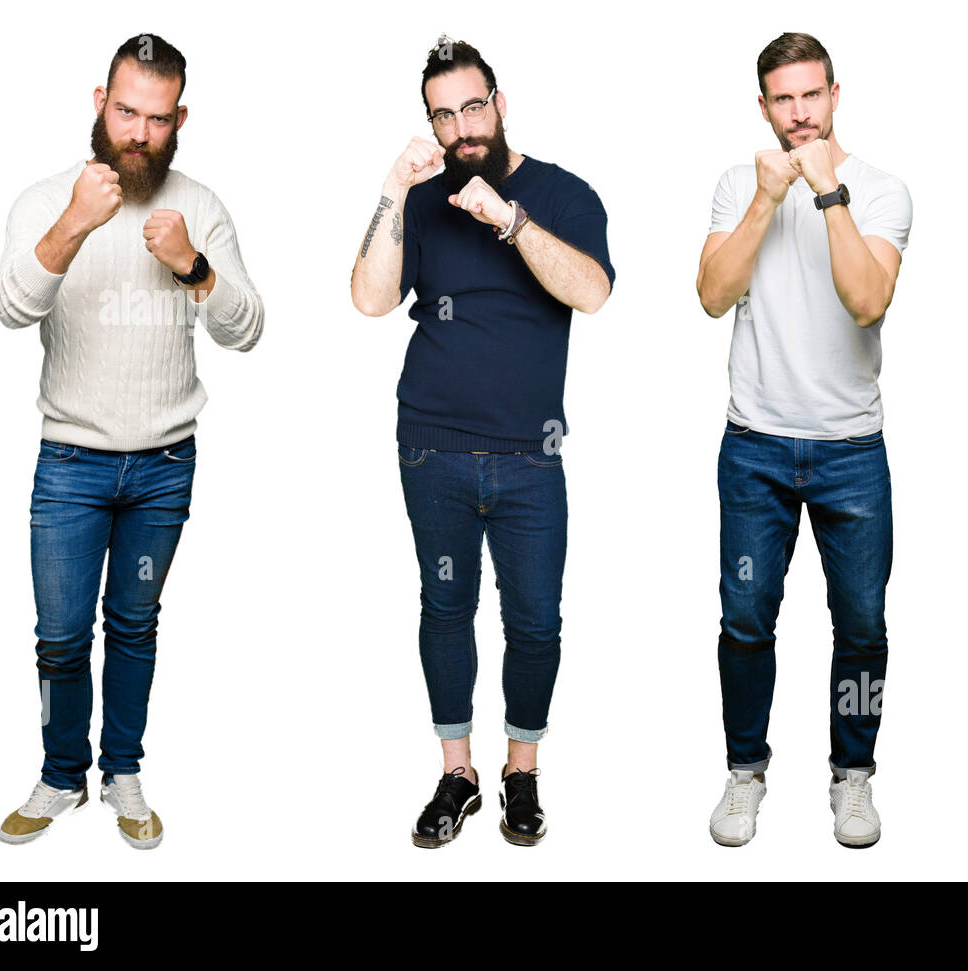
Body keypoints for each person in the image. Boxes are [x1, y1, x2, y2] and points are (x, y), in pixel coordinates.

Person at [0, 33, 264, 849]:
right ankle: (58, 773)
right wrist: (75, 223)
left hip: (164, 464)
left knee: (135, 625)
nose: (137, 133)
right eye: (124, 112)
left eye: (155, 117)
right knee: (61, 634)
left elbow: (247, 329)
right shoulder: (49, 197)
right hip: (70, 463)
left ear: (179, 117)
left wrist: (195, 268)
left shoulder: (201, 204)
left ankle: (122, 771)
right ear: (99, 104)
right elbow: (10, 307)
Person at [350, 36, 614, 848]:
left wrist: (510, 221)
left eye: (472, 106)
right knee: (445, 605)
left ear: (499, 105)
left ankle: (521, 770)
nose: (461, 126)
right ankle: (457, 771)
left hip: (530, 454)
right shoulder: (424, 197)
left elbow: (592, 292)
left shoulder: (562, 193)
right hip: (429, 445)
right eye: (442, 114)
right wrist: (394, 189)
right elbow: (369, 298)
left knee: (535, 620)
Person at [697, 32, 911, 848]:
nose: (798, 114)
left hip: (851, 451)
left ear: (834, 94)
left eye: (810, 96)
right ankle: (745, 771)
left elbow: (866, 301)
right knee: (745, 618)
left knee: (861, 625)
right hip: (754, 445)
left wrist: (830, 196)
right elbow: (714, 296)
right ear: (763, 106)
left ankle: (853, 776)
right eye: (782, 100)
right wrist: (764, 199)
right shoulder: (735, 185)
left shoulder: (883, 190)